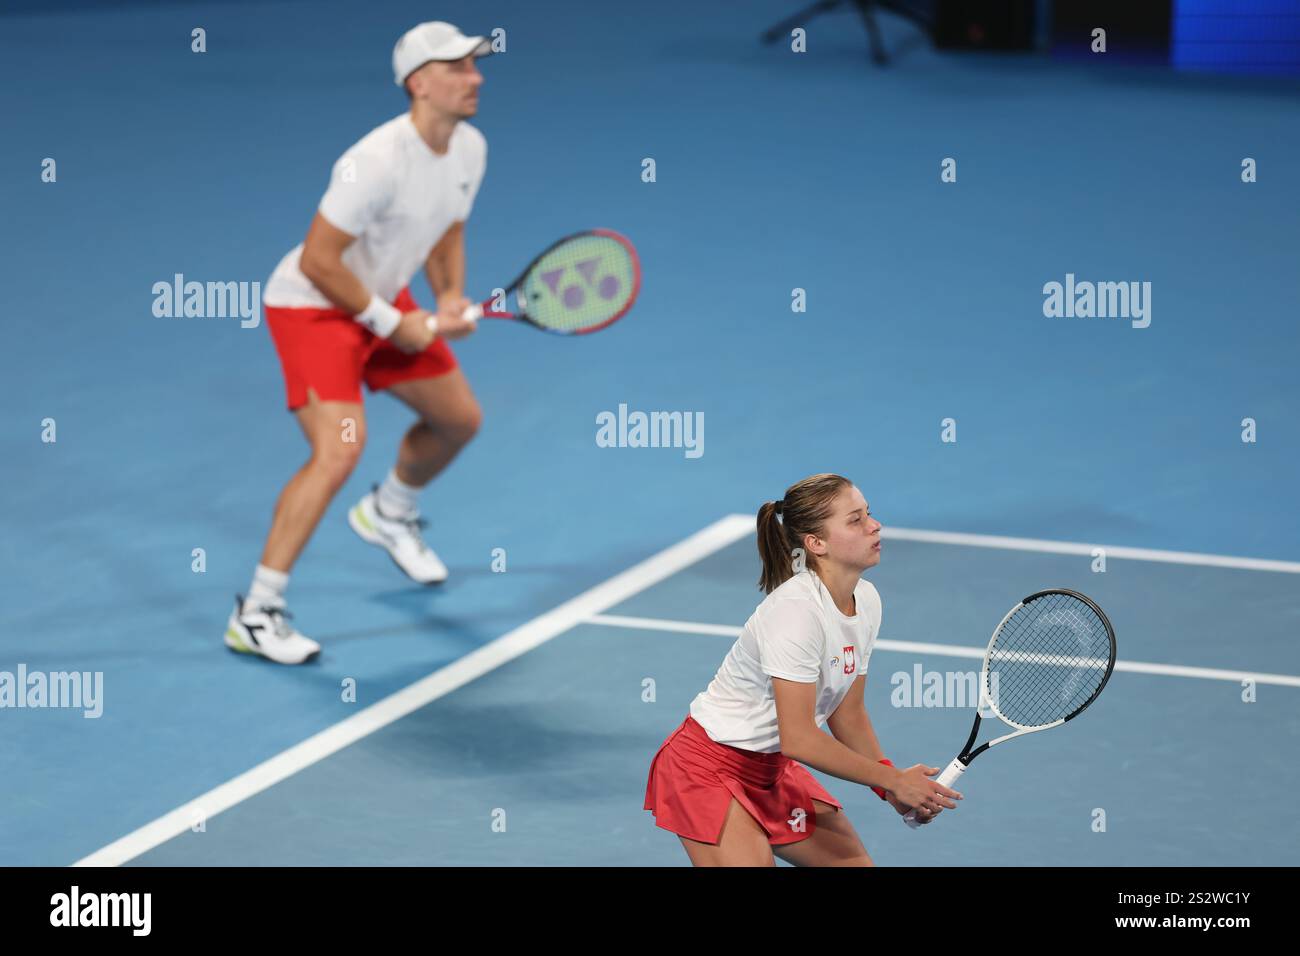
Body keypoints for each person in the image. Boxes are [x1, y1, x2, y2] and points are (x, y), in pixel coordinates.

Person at [223, 22, 492, 664]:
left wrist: (449, 295)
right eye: (457, 67)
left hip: (381, 297)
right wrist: (388, 320)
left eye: (475, 65)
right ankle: (257, 613)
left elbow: (446, 231)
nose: (475, 76)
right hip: (313, 309)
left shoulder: (469, 148)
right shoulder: (372, 161)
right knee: (340, 450)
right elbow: (319, 260)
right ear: (418, 83)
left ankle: (390, 511)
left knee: (458, 419)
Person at [644, 473, 961, 865]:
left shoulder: (866, 599)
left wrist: (888, 786)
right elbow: (799, 738)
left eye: (869, 514)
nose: (874, 525)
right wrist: (892, 780)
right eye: (855, 520)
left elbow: (848, 711)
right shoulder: (795, 614)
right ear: (816, 544)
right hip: (707, 769)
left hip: (772, 770)